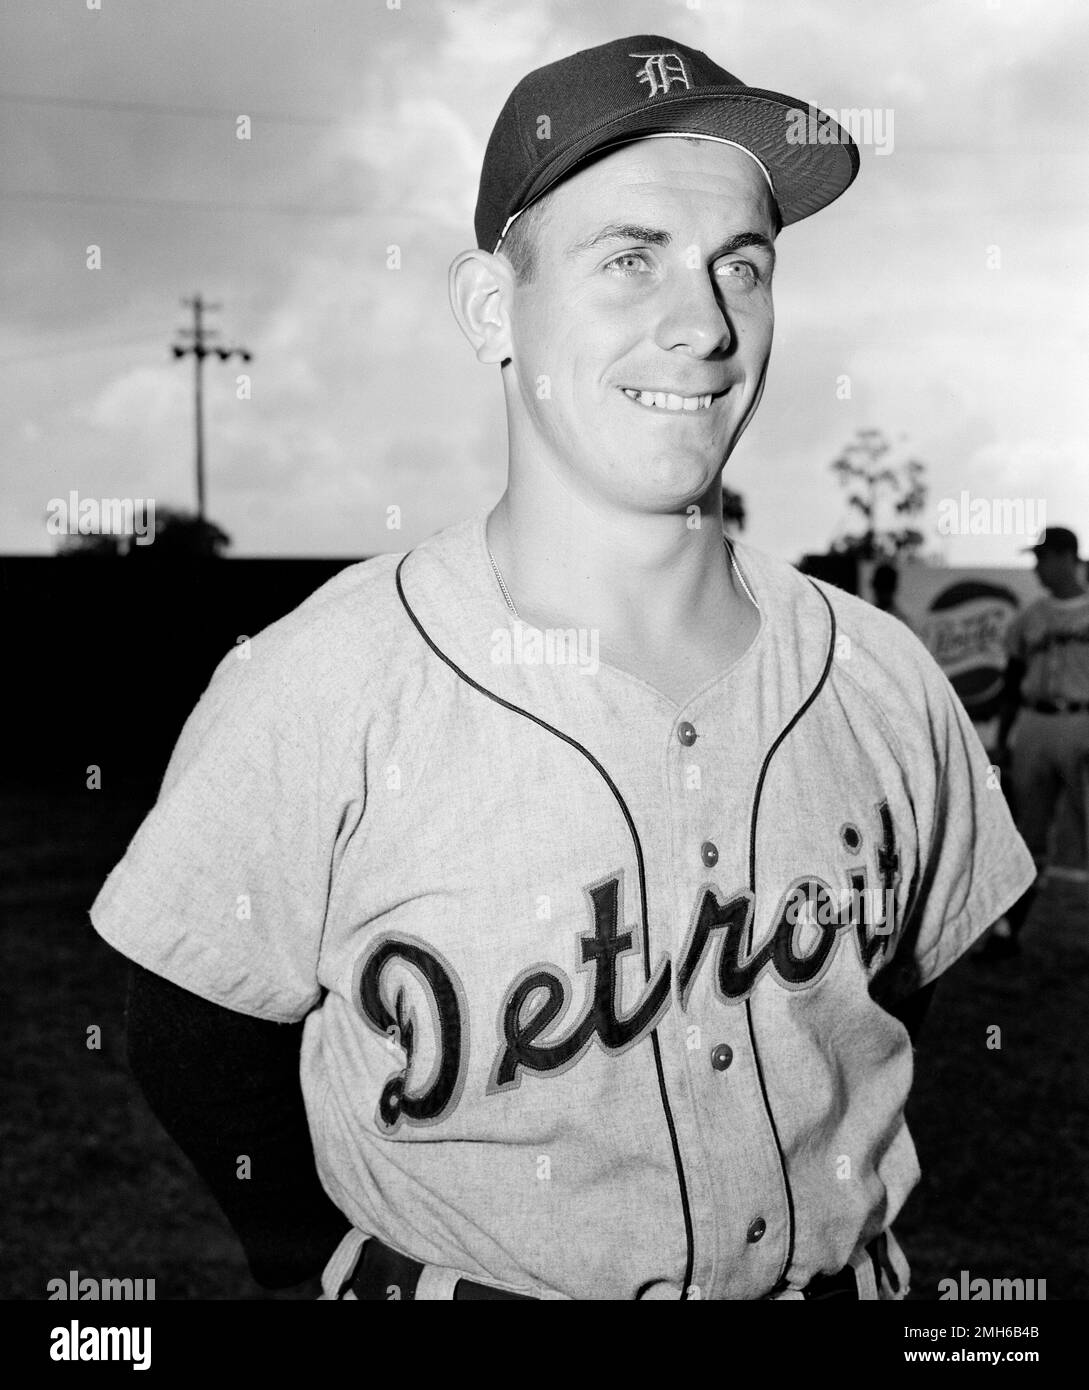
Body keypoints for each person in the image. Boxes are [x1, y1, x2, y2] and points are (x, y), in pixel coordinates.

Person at [91, 34, 1035, 1301]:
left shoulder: (884, 675)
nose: (702, 323)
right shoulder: (322, 683)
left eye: (740, 267)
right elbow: (191, 1037)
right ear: (494, 308)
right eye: (629, 259)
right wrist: (310, 1260)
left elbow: (894, 1001)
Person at [984, 526, 1089, 960]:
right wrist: (1006, 738)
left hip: (1082, 719)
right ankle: (1009, 934)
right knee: (1028, 836)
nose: (1037, 567)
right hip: (1034, 723)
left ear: (1068, 557)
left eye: (1044, 557)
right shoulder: (1029, 617)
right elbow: (1010, 681)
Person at [870, 562, 913, 629]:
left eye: (885, 589)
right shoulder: (902, 620)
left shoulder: (901, 621)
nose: (882, 594)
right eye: (881, 589)